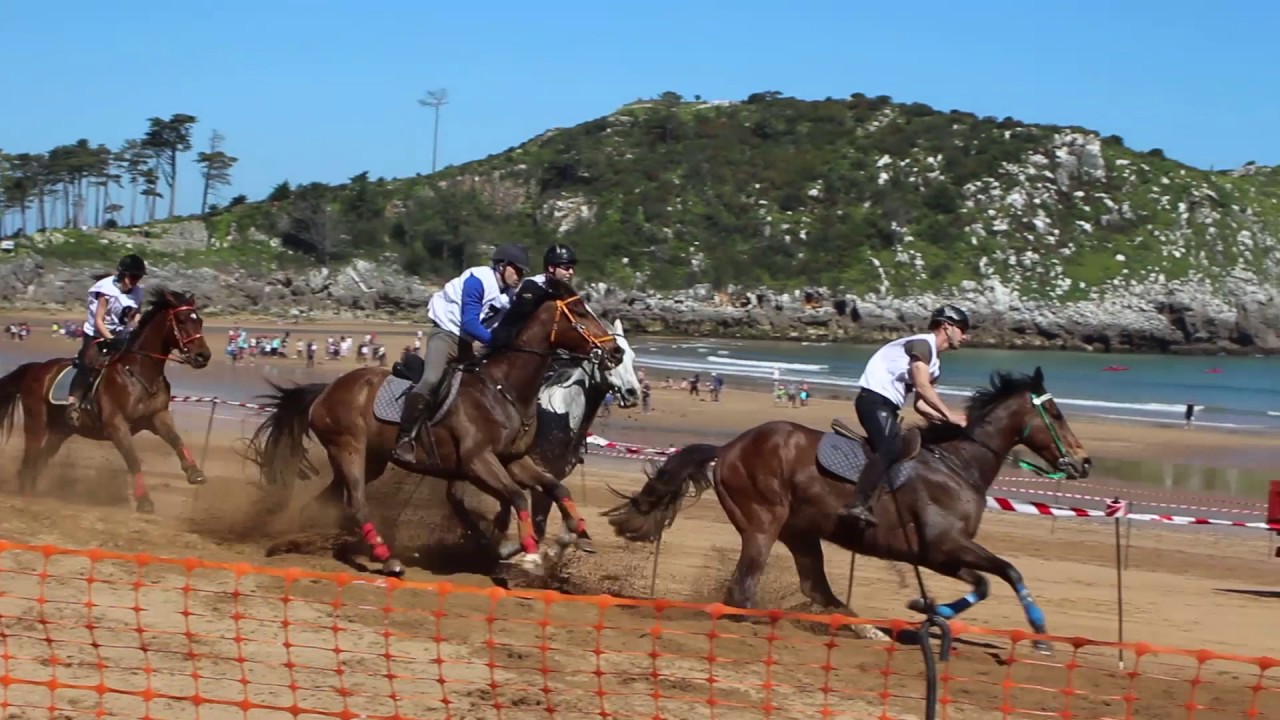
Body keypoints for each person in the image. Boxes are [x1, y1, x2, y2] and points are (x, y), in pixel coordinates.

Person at [392, 243, 531, 464]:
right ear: (502, 266)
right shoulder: (478, 280)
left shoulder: (509, 293)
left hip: (467, 343)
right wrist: (495, 341)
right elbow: (469, 323)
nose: (520, 276)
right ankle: (405, 438)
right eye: (518, 270)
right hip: (446, 334)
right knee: (430, 379)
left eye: (523, 272)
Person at [838, 304, 971, 526]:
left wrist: (945, 422)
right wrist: (950, 415)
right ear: (946, 327)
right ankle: (858, 503)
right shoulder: (922, 344)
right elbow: (922, 387)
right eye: (962, 329)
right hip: (873, 400)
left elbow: (921, 405)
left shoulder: (935, 365)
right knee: (890, 448)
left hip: (888, 406)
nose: (965, 336)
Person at [67, 254, 148, 424]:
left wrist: (135, 325)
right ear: (123, 274)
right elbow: (98, 320)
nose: (136, 281)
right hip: (96, 333)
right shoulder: (105, 290)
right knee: (87, 363)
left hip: (121, 334)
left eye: (139, 277)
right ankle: (73, 403)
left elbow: (137, 312)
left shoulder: (138, 292)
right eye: (133, 276)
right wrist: (111, 339)